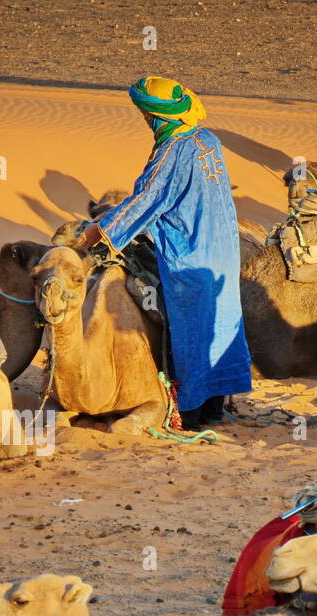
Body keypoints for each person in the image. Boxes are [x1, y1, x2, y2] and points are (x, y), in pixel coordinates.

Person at [75, 76, 250, 430]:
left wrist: (98, 231)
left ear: (157, 117)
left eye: (145, 114)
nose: (143, 120)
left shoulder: (172, 152)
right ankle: (215, 409)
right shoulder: (206, 139)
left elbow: (147, 199)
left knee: (193, 327)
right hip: (223, 250)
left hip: (191, 252)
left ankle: (190, 413)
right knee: (220, 321)